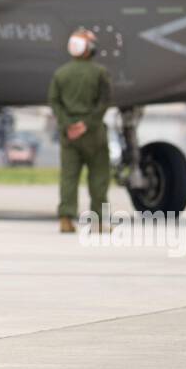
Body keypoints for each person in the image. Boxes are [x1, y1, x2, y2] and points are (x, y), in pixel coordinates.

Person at [48, 28, 113, 233]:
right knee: (99, 178)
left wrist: (69, 125)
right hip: (93, 134)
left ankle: (66, 219)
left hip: (69, 136)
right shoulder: (99, 73)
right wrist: (87, 124)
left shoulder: (60, 74)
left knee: (68, 177)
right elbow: (104, 101)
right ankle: (99, 221)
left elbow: (54, 102)